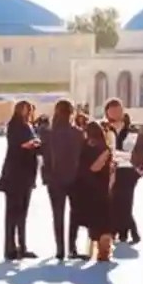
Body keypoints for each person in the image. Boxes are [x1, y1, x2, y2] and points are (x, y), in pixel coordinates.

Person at [0, 100, 41, 260]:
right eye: (24, 109)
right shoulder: (15, 126)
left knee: (22, 213)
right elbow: (18, 145)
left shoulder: (29, 126)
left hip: (27, 175)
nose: (27, 112)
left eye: (28, 109)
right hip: (15, 174)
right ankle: (10, 248)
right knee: (12, 214)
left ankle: (22, 247)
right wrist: (31, 144)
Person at [41, 99, 83, 260]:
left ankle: (60, 249)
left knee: (57, 214)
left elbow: (44, 158)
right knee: (74, 214)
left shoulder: (47, 133)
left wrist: (46, 176)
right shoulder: (78, 133)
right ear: (71, 113)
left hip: (54, 179)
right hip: (74, 178)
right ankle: (72, 247)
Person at [74, 121, 114, 261]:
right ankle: (104, 251)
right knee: (104, 221)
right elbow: (97, 168)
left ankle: (92, 248)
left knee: (94, 220)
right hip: (101, 187)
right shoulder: (104, 148)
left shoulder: (83, 146)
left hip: (86, 187)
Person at [103, 101, 142, 244]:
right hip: (109, 171)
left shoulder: (132, 131)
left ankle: (129, 231)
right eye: (111, 111)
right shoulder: (105, 129)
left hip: (128, 171)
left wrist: (139, 168)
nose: (115, 113)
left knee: (125, 202)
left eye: (117, 110)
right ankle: (118, 231)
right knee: (112, 202)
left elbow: (138, 151)